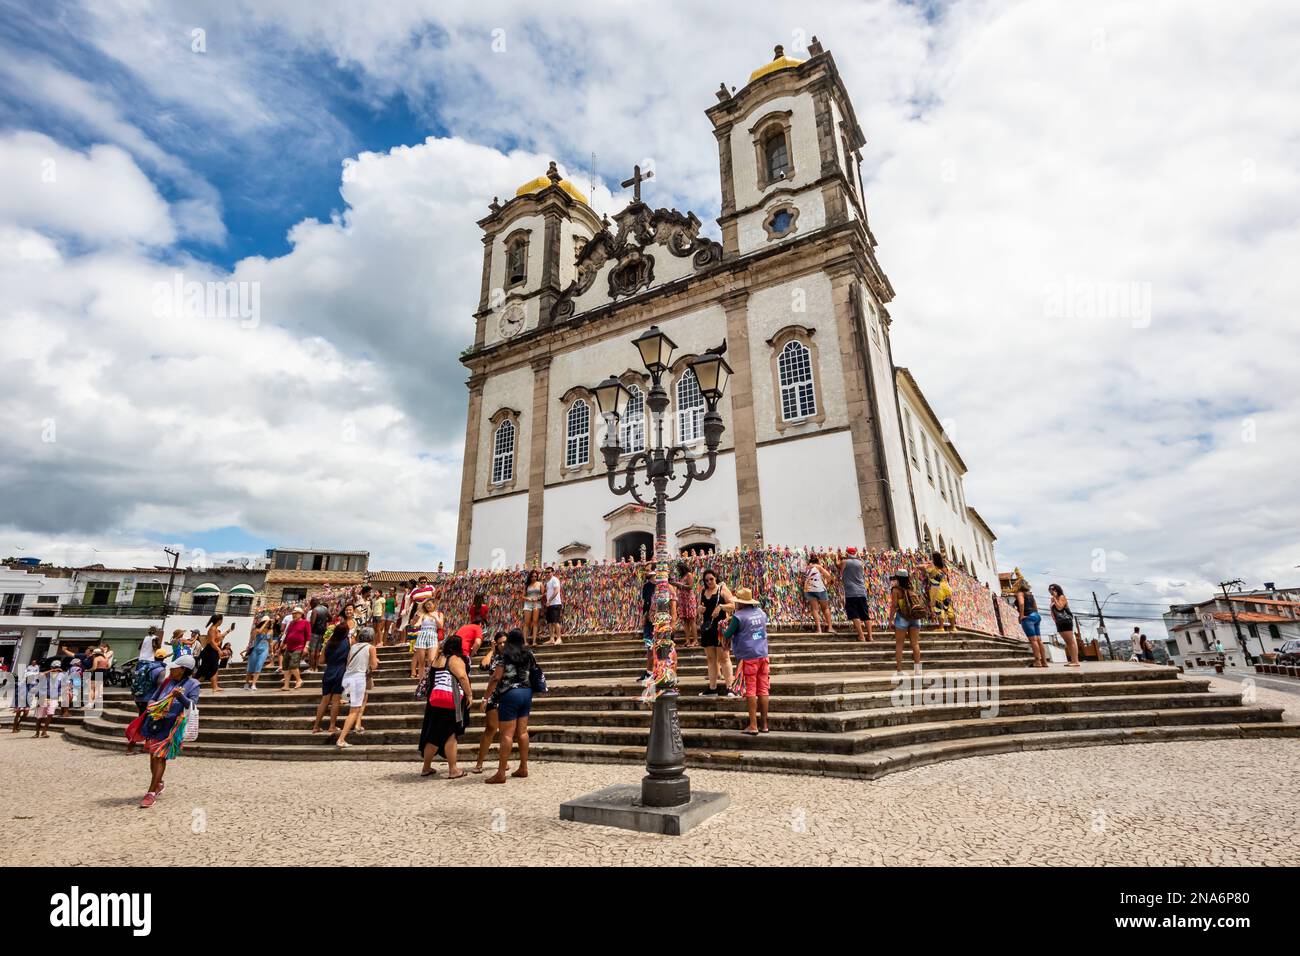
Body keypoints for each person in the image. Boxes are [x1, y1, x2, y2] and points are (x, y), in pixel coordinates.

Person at [126, 654, 201, 808]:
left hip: (171, 726)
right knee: (153, 756)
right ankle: (158, 783)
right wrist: (154, 706)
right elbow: (154, 697)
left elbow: (192, 705)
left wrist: (180, 697)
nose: (171, 670)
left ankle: (151, 793)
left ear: (183, 669)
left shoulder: (193, 684)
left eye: (175, 668)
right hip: (155, 722)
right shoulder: (168, 681)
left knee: (160, 757)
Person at [482, 629, 533, 784]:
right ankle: (523, 767)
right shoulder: (529, 654)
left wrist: (486, 697)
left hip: (510, 694)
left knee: (507, 734)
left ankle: (501, 773)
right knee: (523, 732)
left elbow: (496, 677)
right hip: (526, 692)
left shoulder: (504, 655)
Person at [418, 634, 472, 779]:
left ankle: (426, 767)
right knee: (450, 734)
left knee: (434, 735)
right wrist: (469, 694)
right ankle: (453, 769)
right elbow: (462, 677)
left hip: (435, 700)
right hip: (450, 700)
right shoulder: (455, 659)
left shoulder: (438, 658)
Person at [723, 588, 770, 735]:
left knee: (750, 691)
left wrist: (724, 626)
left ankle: (753, 725)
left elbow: (727, 634)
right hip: (763, 654)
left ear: (741, 603)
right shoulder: (761, 613)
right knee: (763, 690)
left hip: (748, 657)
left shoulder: (738, 616)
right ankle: (764, 725)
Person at [314, 605, 354, 737]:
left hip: (329, 670)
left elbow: (320, 661)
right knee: (336, 700)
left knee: (324, 700)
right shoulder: (347, 642)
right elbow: (349, 659)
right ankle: (331, 725)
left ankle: (316, 726)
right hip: (340, 671)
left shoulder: (328, 643)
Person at [471, 632, 508, 774]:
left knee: (506, 731)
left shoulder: (512, 656)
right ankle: (479, 763)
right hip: (493, 696)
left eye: (505, 642)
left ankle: (504, 762)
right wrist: (491, 651)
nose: (502, 645)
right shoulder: (494, 657)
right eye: (500, 643)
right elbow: (482, 666)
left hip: (507, 695)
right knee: (491, 729)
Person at [336, 625, 377, 748]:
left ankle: (357, 725)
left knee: (358, 703)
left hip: (347, 677)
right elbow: (374, 666)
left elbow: (348, 662)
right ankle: (341, 739)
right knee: (354, 710)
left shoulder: (353, 647)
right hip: (358, 678)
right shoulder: (371, 648)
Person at [697, 569, 737, 696]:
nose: (709, 582)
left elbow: (733, 605)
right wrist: (700, 609)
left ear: (716, 578)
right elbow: (699, 607)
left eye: (711, 579)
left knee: (724, 658)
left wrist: (721, 607)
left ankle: (729, 687)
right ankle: (712, 688)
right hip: (707, 627)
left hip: (720, 627)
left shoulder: (722, 590)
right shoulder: (703, 592)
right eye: (706, 580)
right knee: (710, 658)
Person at [638, 567, 678, 683]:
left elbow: (673, 608)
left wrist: (673, 623)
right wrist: (646, 617)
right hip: (654, 624)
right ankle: (655, 672)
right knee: (654, 649)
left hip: (665, 624)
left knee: (669, 650)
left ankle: (672, 673)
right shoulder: (655, 589)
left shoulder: (669, 589)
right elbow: (651, 605)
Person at [126, 649, 169, 754]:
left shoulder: (146, 666)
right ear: (164, 657)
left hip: (139, 698)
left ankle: (146, 745)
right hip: (150, 699)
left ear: (155, 657)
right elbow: (160, 685)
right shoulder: (161, 670)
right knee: (145, 722)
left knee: (145, 720)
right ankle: (131, 747)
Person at [890, 568, 925, 672]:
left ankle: (899, 668)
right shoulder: (912, 587)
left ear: (898, 578)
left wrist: (890, 620)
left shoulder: (896, 590)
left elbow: (894, 606)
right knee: (915, 643)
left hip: (902, 617)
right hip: (915, 617)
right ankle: (917, 669)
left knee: (899, 644)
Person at [838, 547, 874, 643]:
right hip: (862, 591)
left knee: (854, 614)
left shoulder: (845, 562)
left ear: (847, 553)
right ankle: (870, 636)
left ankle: (861, 636)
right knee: (865, 615)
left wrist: (839, 558)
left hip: (851, 592)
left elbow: (839, 569)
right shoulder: (860, 562)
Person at [197, 614, 235, 694]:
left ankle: (215, 687)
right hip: (210, 651)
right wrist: (219, 650)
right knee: (204, 670)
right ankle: (192, 685)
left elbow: (219, 637)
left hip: (212, 651)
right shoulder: (212, 629)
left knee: (214, 669)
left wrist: (228, 631)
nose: (222, 622)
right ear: (219, 621)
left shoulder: (216, 629)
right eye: (222, 620)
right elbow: (211, 642)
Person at [1047, 584, 1081, 667]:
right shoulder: (1053, 599)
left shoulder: (1062, 597)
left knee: (1071, 642)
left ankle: (1076, 661)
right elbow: (1053, 611)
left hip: (1065, 621)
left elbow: (1059, 608)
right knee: (1067, 643)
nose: (1051, 591)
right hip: (1059, 622)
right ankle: (1073, 660)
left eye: (1053, 589)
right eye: (1050, 589)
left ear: (1057, 589)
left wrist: (1055, 598)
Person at [411, 599, 442, 685]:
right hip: (422, 635)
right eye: (426, 605)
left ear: (434, 604)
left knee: (432, 660)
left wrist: (435, 616)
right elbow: (414, 624)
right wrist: (416, 615)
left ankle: (432, 680)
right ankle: (421, 682)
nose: (428, 606)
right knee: (421, 661)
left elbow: (440, 626)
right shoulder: (423, 614)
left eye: (429, 604)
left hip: (433, 635)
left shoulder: (439, 614)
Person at [803, 554, 835, 634]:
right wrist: (831, 582)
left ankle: (819, 629)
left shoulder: (806, 568)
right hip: (819, 589)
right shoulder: (818, 566)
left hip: (809, 590)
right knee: (825, 608)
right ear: (817, 562)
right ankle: (830, 628)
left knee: (814, 609)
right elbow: (828, 575)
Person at [926, 552, 957, 634]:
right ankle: (953, 627)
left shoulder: (932, 566)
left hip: (938, 588)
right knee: (949, 607)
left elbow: (923, 568)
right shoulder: (945, 567)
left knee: (939, 607)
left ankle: (941, 627)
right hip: (947, 587)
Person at [280, 606, 310, 691]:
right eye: (293, 613)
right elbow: (287, 636)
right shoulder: (291, 623)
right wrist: (281, 646)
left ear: (301, 614)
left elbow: (308, 636)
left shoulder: (305, 623)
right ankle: (286, 685)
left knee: (293, 665)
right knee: (285, 667)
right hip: (289, 647)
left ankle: (299, 680)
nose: (294, 615)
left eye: (296, 613)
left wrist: (306, 647)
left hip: (299, 647)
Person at [1017, 580, 1046, 667]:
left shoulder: (1020, 593)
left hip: (1028, 617)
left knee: (1033, 641)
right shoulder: (1030, 594)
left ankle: (1037, 662)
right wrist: (1035, 615)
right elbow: (1035, 607)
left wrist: (1021, 615)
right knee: (1039, 640)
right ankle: (1044, 662)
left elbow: (1021, 604)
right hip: (1036, 616)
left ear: (1019, 586)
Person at [32, 661, 62, 738]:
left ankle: (44, 731)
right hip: (43, 697)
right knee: (39, 716)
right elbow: (38, 676)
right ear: (51, 667)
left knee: (50, 714)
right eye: (54, 667)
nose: (56, 669)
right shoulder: (46, 675)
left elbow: (61, 687)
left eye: (57, 668)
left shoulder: (60, 676)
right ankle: (37, 732)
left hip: (53, 698)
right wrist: (51, 671)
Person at [11, 660, 42, 735]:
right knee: (17, 714)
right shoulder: (21, 684)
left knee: (26, 714)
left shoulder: (33, 684)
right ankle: (14, 728)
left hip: (27, 701)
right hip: (20, 701)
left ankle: (18, 723)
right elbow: (16, 694)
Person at [672, 563, 699, 647]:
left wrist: (679, 585)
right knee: (685, 621)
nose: (678, 570)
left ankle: (695, 640)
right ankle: (687, 640)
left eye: (678, 569)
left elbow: (690, 586)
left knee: (691, 620)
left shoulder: (689, 574)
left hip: (689, 599)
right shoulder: (682, 576)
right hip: (683, 600)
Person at [242, 616, 273, 689]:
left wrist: (271, 651)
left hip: (264, 649)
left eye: (269, 622)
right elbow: (258, 632)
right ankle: (246, 683)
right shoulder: (256, 629)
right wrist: (265, 622)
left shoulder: (270, 631)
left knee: (259, 665)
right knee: (251, 667)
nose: (268, 623)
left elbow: (270, 642)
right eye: (267, 622)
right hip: (255, 648)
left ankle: (253, 684)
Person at [522, 571, 543, 646]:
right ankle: (525, 641)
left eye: (535, 576)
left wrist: (538, 598)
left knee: (535, 622)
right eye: (532, 576)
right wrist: (528, 599)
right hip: (528, 604)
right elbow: (523, 596)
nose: (534, 578)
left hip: (536, 604)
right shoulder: (527, 585)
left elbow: (543, 594)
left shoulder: (540, 584)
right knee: (526, 623)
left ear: (537, 576)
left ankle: (534, 641)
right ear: (530, 577)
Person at [544, 566, 564, 645]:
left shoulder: (554, 579)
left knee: (555, 621)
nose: (547, 574)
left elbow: (556, 591)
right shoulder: (548, 582)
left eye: (549, 572)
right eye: (546, 572)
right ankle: (551, 638)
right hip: (550, 604)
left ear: (552, 572)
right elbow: (548, 592)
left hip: (555, 603)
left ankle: (559, 638)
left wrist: (549, 600)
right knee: (550, 622)